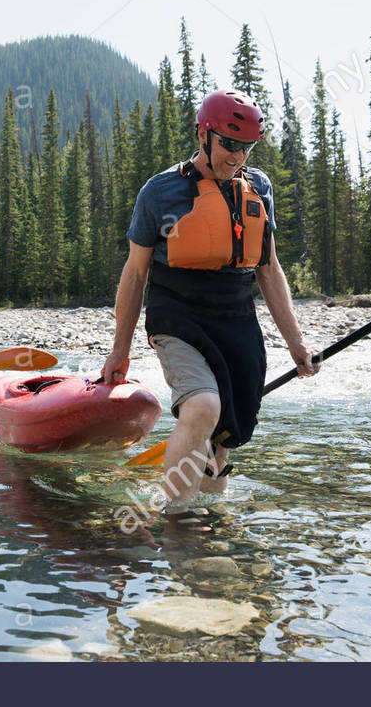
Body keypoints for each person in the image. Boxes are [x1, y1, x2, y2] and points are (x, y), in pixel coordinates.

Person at [101, 89, 318, 503]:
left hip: (235, 315)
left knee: (225, 432)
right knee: (202, 407)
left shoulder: (259, 188)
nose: (237, 156)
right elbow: (134, 275)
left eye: (247, 147)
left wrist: (297, 344)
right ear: (204, 135)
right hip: (176, 313)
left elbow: (269, 270)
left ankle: (213, 518)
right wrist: (120, 350)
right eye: (229, 145)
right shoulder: (160, 192)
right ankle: (178, 525)